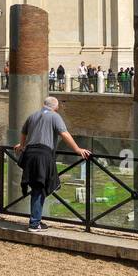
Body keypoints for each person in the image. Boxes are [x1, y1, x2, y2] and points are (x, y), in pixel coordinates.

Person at [16, 97, 90, 232]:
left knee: (37, 188)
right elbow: (64, 134)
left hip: (30, 155)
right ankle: (34, 224)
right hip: (43, 155)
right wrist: (77, 149)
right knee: (39, 188)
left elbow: (23, 132)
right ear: (56, 107)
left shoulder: (32, 116)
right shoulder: (55, 117)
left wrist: (22, 145)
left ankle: (36, 219)